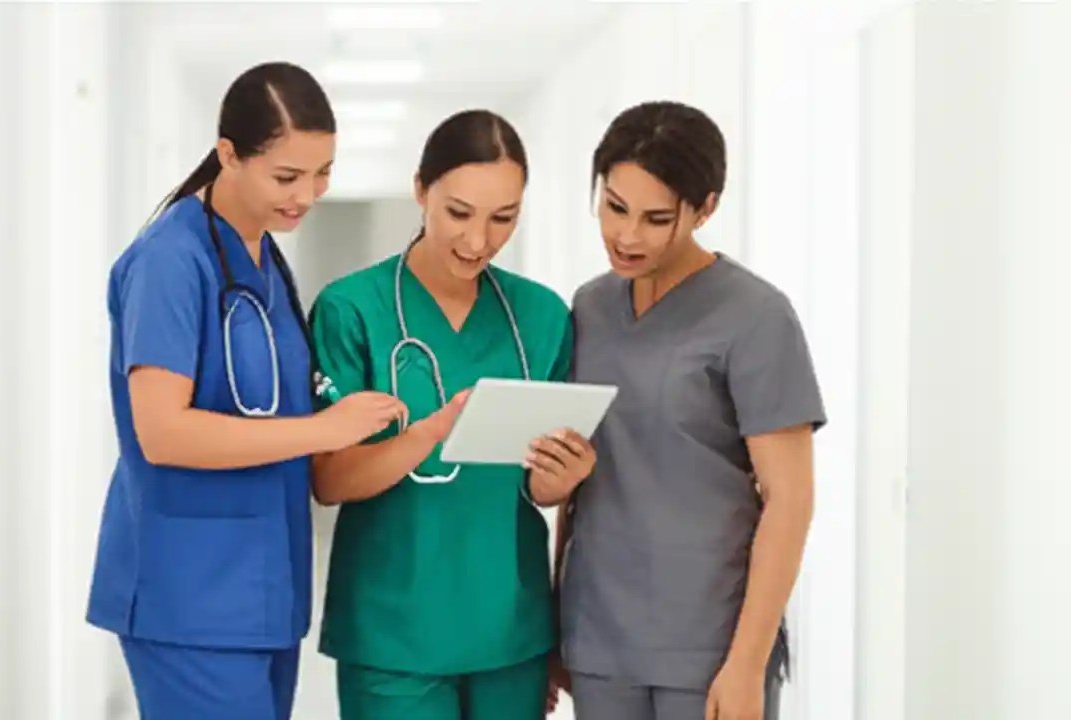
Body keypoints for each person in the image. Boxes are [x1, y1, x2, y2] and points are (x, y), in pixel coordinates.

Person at [84, 62, 407, 720]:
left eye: (323, 173)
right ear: (227, 154)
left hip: (259, 594)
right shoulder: (171, 261)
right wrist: (325, 429)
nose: (307, 195)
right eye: (287, 176)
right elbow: (163, 431)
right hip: (188, 595)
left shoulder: (259, 256)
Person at [308, 109, 596, 720]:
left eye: (504, 219)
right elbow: (330, 481)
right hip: (393, 631)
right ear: (421, 190)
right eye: (458, 213)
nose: (478, 241)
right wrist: (433, 431)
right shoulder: (352, 310)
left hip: (508, 629)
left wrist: (560, 478)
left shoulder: (541, 319)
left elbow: (537, 488)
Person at [552, 101, 826, 720]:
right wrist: (557, 624)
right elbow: (577, 479)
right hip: (600, 637)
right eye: (614, 206)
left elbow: (791, 500)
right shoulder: (589, 308)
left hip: (709, 644)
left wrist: (748, 663)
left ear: (705, 208)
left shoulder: (755, 317)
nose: (626, 235)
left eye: (656, 219)